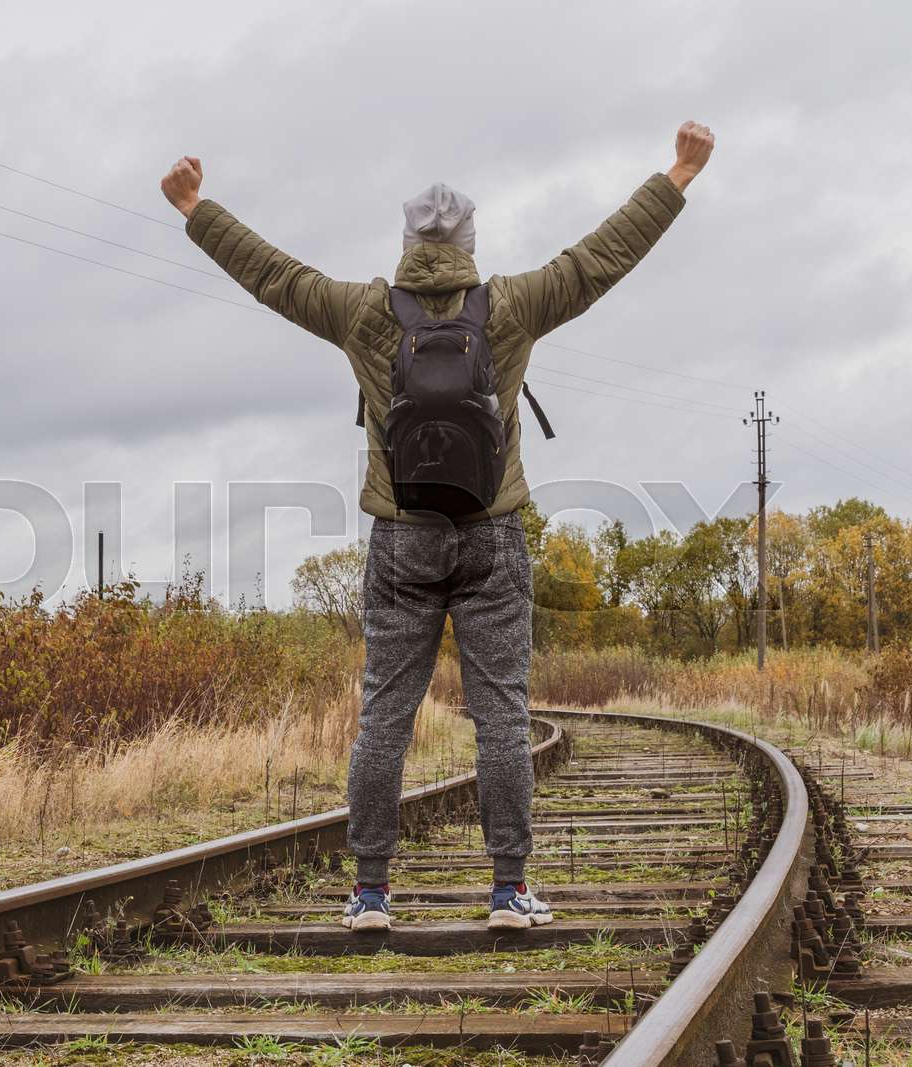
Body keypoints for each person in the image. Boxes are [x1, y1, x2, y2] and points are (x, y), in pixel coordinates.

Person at [160, 121, 714, 931]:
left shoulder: (362, 313)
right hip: (493, 531)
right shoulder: (514, 306)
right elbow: (602, 256)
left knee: (386, 711)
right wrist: (677, 176)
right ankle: (508, 890)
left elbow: (274, 276)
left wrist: (196, 208)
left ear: (409, 242)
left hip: (400, 536)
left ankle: (371, 892)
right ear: (470, 244)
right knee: (501, 712)